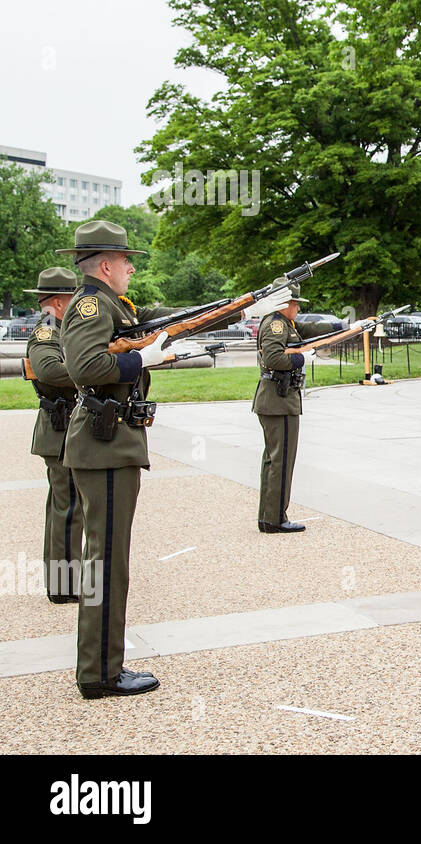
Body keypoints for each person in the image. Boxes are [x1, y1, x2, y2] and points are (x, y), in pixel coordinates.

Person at [58, 220, 272, 699]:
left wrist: (247, 305)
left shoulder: (112, 303)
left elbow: (177, 318)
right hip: (105, 442)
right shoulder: (92, 304)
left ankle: (102, 665)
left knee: (108, 559)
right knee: (106, 562)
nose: (132, 268)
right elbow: (86, 367)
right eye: (127, 261)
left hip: (110, 440)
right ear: (107, 265)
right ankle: (99, 673)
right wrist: (144, 360)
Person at [252, 277, 338, 534]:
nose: (297, 308)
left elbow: (310, 330)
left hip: (278, 400)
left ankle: (269, 515)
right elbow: (274, 358)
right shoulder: (276, 325)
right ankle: (275, 518)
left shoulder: (285, 323)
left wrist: (348, 325)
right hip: (279, 401)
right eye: (294, 303)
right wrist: (302, 358)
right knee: (281, 461)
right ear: (283, 303)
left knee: (274, 460)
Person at [22, 267, 84, 603]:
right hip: (59, 428)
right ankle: (63, 585)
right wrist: (92, 367)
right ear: (60, 301)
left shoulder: (59, 329)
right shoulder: (47, 332)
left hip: (62, 427)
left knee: (64, 504)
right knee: (69, 506)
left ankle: (62, 577)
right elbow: (49, 370)